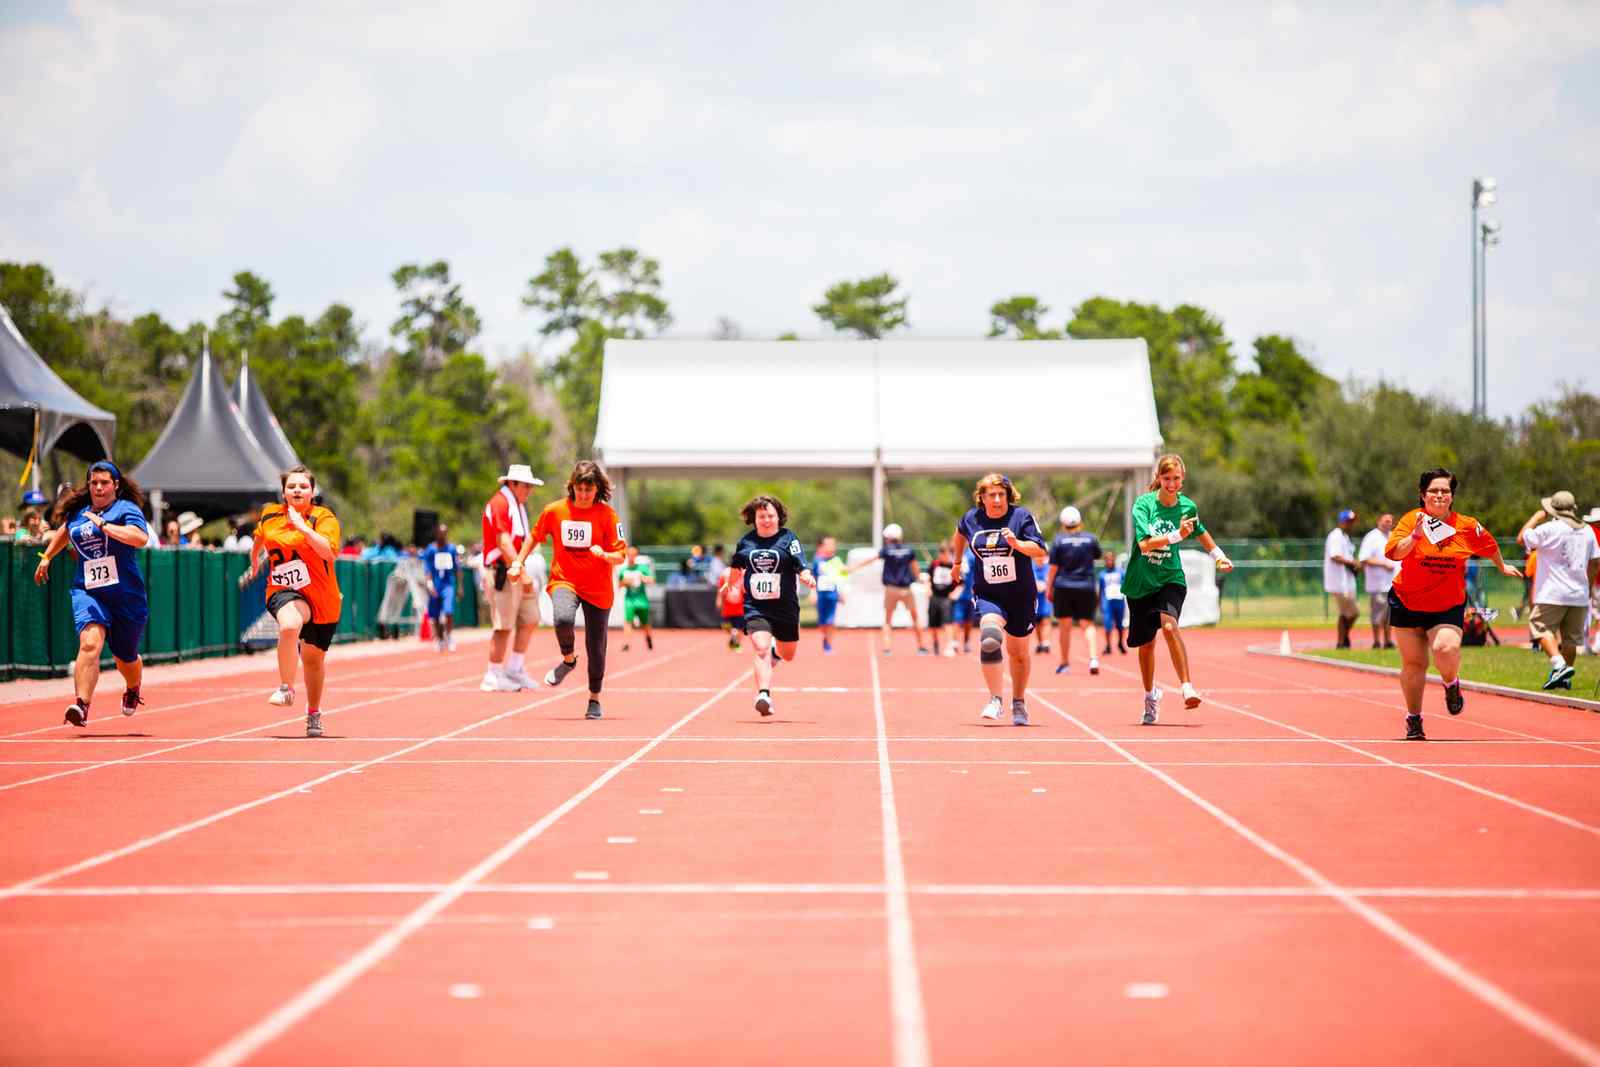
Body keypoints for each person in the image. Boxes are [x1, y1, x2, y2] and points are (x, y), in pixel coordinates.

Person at [1384, 467, 1520, 740]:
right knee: (1414, 664)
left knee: (1445, 649)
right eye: (1433, 490)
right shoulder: (1412, 519)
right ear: (1422, 494)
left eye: (1445, 491)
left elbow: (1489, 544)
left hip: (1446, 604)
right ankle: (1414, 720)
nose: (1439, 495)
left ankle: (1451, 683)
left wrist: (1501, 565)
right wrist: (1414, 537)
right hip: (1406, 601)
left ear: (1452, 496)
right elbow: (1394, 554)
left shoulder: (1466, 525)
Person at [33, 461, 152, 727]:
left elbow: (140, 538)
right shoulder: (80, 513)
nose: (98, 488)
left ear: (115, 485)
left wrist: (106, 526)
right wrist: (47, 557)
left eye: (104, 483)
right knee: (89, 644)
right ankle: (81, 705)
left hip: (126, 597)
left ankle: (133, 688)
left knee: (125, 657)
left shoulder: (126, 509)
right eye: (94, 483)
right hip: (89, 591)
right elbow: (66, 530)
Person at [1123, 454, 1233, 725]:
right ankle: (1150, 696)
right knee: (1146, 645)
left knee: (1169, 626)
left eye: (1176, 479)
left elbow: (1200, 531)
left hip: (1170, 578)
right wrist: (1177, 535)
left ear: (1182, 479)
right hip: (1140, 582)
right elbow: (1145, 545)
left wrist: (1219, 555)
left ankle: (1187, 686)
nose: (1171, 484)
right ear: (1158, 478)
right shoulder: (1144, 505)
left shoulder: (1187, 506)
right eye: (1166, 478)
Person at [247, 465, 342, 738]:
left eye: (303, 486)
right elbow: (259, 538)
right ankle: (286, 687)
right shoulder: (270, 515)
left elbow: (329, 553)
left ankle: (314, 712)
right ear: (284, 492)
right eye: (291, 486)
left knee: (313, 661)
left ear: (312, 492)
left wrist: (302, 527)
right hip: (283, 589)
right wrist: (254, 561)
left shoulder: (323, 518)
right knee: (289, 625)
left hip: (322, 597)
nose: (297, 490)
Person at [950, 473, 1049, 725]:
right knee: (990, 638)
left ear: (1008, 495)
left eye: (1001, 494)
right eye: (991, 495)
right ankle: (995, 699)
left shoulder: (1021, 517)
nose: (997, 500)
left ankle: (1019, 702)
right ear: (982, 498)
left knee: (1019, 653)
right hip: (989, 594)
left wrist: (1017, 543)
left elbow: (1040, 550)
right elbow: (960, 534)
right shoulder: (971, 518)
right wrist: (957, 562)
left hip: (1021, 596)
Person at [532, 461, 627, 720]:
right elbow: (534, 536)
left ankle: (594, 699)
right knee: (562, 617)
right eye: (579, 489)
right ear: (572, 486)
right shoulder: (555, 511)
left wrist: (604, 554)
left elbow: (621, 555)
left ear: (597, 489)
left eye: (589, 489)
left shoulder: (607, 515)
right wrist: (518, 561)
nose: (583, 494)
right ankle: (569, 659)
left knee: (596, 647)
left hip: (598, 587)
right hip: (565, 580)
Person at [730, 494, 817, 715]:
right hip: (756, 607)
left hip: (785, 608)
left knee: (788, 654)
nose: (766, 520)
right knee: (760, 648)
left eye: (770, 515)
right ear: (754, 518)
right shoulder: (746, 542)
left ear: (779, 517)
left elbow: (801, 564)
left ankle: (775, 654)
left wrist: (806, 575)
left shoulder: (789, 539)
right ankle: (764, 695)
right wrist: (732, 585)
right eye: (761, 516)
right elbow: (736, 565)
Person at [1517, 491, 1599, 690]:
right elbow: (1595, 562)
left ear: (1552, 509)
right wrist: (1587, 587)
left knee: (1539, 627)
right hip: (1578, 594)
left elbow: (1522, 538)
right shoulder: (1587, 530)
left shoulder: (1549, 528)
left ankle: (1559, 664)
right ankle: (1564, 679)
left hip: (1552, 592)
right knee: (1571, 640)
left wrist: (1536, 517)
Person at [479, 464, 545, 692]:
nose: (529, 490)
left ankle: (515, 669)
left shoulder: (516, 505)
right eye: (526, 486)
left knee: (530, 618)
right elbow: (503, 542)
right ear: (512, 484)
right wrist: (522, 573)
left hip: (515, 571)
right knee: (503, 625)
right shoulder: (500, 503)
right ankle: (493, 674)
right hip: (503, 571)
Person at [851, 523, 927, 655]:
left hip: (891, 589)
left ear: (889, 538)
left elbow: (871, 560)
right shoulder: (909, 550)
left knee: (887, 620)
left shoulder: (886, 550)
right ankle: (921, 647)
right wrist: (921, 579)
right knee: (915, 618)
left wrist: (854, 567)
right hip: (907, 589)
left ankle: (887, 648)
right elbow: (915, 569)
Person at [1046, 505, 1102, 675]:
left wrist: (1049, 588)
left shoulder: (1058, 541)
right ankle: (1093, 659)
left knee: (1065, 626)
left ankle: (1064, 664)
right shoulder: (1091, 539)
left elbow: (1053, 569)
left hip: (1063, 586)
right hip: (1086, 586)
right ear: (1080, 522)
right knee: (1087, 624)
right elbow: (1097, 556)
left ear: (1063, 524)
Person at [1358, 513, 1400, 649]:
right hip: (1377, 584)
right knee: (1377, 615)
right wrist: (1383, 564)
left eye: (1390, 521)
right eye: (1385, 521)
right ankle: (1376, 641)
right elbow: (1364, 558)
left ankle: (1388, 641)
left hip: (1392, 584)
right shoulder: (1372, 537)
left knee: (1389, 615)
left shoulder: (1393, 536)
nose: (1388, 523)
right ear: (1379, 521)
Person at [1324, 508, 1360, 649]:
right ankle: (1343, 639)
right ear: (1341, 522)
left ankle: (1342, 641)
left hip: (1346, 581)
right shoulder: (1336, 536)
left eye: (1352, 521)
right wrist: (1352, 563)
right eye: (1348, 521)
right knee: (1353, 612)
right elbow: (1335, 556)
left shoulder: (1345, 537)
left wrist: (1354, 564)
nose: (1350, 524)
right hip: (1338, 582)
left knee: (1345, 613)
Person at [423, 523, 462, 653]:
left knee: (448, 611)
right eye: (441, 533)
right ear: (436, 534)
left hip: (448, 585)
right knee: (435, 615)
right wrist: (430, 585)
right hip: (435, 585)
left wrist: (460, 586)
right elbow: (427, 569)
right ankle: (440, 639)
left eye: (445, 533)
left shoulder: (451, 549)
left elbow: (457, 568)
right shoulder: (431, 549)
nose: (443, 535)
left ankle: (449, 636)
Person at [811, 535, 849, 653]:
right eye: (828, 544)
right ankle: (825, 636)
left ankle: (828, 644)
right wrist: (813, 592)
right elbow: (814, 577)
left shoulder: (837, 561)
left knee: (831, 620)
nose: (831, 546)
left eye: (833, 544)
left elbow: (842, 578)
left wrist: (842, 593)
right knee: (822, 622)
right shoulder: (817, 561)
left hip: (833, 593)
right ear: (822, 546)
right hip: (821, 594)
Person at [618, 544, 655, 652]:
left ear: (636, 555)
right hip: (630, 600)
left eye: (633, 554)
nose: (631, 556)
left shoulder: (642, 568)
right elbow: (620, 584)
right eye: (629, 554)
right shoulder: (624, 570)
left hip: (642, 600)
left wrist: (644, 578)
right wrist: (625, 582)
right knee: (628, 621)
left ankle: (648, 637)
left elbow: (652, 580)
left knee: (645, 623)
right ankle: (626, 643)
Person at [926, 540, 959, 656]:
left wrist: (955, 593)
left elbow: (961, 583)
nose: (942, 555)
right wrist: (928, 588)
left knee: (948, 622)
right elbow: (928, 578)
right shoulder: (934, 564)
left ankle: (949, 645)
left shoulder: (953, 566)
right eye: (940, 553)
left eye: (944, 553)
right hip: (934, 597)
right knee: (933, 624)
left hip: (946, 598)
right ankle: (935, 643)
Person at [1099, 550, 1127, 654]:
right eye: (1107, 560)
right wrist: (1100, 603)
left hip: (1119, 601)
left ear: (1114, 560)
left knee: (1120, 625)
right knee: (1107, 625)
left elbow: (1126, 584)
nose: (1109, 562)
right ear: (1105, 561)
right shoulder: (1102, 574)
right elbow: (1100, 590)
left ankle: (1120, 643)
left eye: (1111, 559)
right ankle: (1108, 645)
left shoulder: (1121, 572)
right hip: (1107, 603)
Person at [717, 563, 745, 650]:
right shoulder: (725, 574)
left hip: (739, 606)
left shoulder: (742, 574)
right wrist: (719, 599)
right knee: (725, 626)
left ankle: (736, 645)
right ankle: (733, 635)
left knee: (740, 628)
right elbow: (721, 588)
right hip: (728, 605)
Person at [1032, 556, 1053, 654]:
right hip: (1034, 599)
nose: (1039, 558)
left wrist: (1046, 585)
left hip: (1045, 599)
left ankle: (1046, 643)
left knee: (1046, 620)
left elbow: (1051, 580)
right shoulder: (1031, 567)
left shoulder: (1048, 568)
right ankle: (1040, 643)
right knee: (1036, 623)